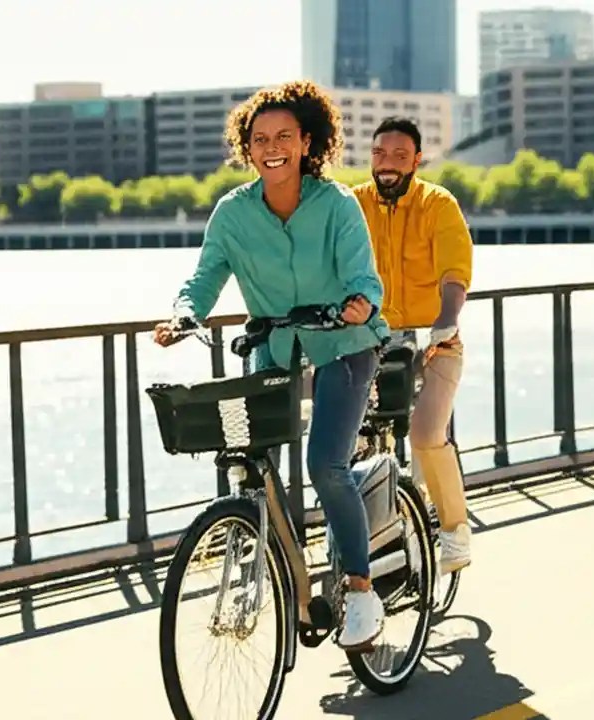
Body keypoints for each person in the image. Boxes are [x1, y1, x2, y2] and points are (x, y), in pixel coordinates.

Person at [153, 80, 391, 651]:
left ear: (308, 142)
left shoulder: (335, 206)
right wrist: (185, 315)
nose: (272, 146)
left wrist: (359, 302)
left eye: (285, 136)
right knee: (249, 461)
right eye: (260, 139)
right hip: (275, 349)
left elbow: (363, 275)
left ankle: (360, 589)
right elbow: (206, 277)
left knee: (324, 465)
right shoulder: (232, 214)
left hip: (345, 343)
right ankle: (268, 556)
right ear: (248, 148)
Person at [351, 116, 474, 575]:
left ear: (416, 160)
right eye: (379, 154)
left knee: (425, 433)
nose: (387, 164)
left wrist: (446, 320)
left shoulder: (437, 204)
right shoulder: (354, 204)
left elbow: (454, 271)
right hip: (372, 339)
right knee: (351, 438)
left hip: (433, 337)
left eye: (399, 156)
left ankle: (454, 529)